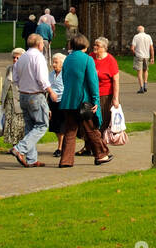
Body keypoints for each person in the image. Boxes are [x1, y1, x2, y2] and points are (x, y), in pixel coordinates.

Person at [58, 34, 111, 168]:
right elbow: (93, 83)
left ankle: (66, 160)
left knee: (70, 131)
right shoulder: (88, 60)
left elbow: (64, 79)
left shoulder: (67, 60)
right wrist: (96, 101)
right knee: (91, 129)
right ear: (85, 45)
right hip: (82, 101)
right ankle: (101, 155)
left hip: (67, 101)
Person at [10, 32, 58, 167]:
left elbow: (15, 78)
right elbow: (42, 78)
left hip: (23, 95)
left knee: (29, 126)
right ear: (39, 44)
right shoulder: (38, 57)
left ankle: (31, 159)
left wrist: (23, 87)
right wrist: (51, 91)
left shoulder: (22, 57)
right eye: (42, 43)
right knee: (42, 125)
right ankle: (20, 148)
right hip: (35, 95)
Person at [88, 37, 120, 146]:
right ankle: (89, 146)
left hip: (104, 95)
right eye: (94, 45)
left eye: (98, 46)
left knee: (102, 121)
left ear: (104, 48)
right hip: (91, 94)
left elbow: (116, 80)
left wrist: (115, 99)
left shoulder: (110, 60)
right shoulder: (91, 57)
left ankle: (101, 146)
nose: (95, 47)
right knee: (89, 122)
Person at [0, 46, 26, 151]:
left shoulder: (25, 70)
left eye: (18, 58)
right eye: (14, 58)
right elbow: (6, 84)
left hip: (19, 100)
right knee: (10, 124)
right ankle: (14, 146)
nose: (15, 60)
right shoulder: (9, 68)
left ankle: (21, 147)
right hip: (9, 101)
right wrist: (2, 100)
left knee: (19, 124)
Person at [49, 51, 66, 157]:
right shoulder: (51, 74)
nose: (53, 64)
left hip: (62, 101)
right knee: (54, 126)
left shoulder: (65, 74)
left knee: (61, 126)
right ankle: (61, 145)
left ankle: (60, 147)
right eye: (53, 62)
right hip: (52, 102)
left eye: (56, 62)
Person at [130, 24, 154, 92]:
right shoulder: (148, 36)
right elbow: (151, 48)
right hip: (146, 56)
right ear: (144, 30)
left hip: (139, 56)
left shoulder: (136, 37)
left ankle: (141, 87)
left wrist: (135, 54)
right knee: (145, 70)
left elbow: (132, 48)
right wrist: (152, 57)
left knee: (139, 72)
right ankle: (145, 83)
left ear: (138, 30)